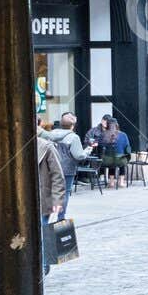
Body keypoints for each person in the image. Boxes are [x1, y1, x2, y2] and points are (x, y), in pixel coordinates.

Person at [34, 120, 67, 274]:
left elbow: (57, 176)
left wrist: (58, 200)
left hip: (43, 198)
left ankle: (44, 265)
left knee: (43, 231)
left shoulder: (46, 147)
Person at [43, 112, 87, 216]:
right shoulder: (73, 137)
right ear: (73, 125)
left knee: (49, 192)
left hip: (50, 167)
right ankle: (60, 218)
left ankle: (48, 217)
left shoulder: (50, 134)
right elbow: (78, 155)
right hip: (66, 170)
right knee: (65, 193)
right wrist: (87, 152)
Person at [95, 116, 132, 187]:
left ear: (107, 126)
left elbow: (99, 148)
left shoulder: (102, 134)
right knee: (121, 160)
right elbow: (128, 148)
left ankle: (111, 182)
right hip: (119, 161)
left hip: (105, 161)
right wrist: (127, 156)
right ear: (117, 125)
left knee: (111, 160)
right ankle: (121, 182)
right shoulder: (123, 135)